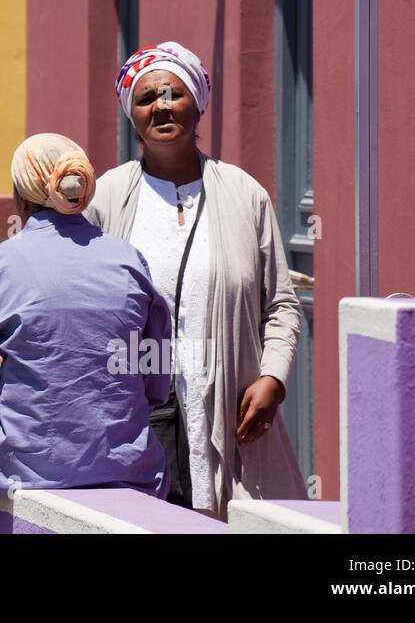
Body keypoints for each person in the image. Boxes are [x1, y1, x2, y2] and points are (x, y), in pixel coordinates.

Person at [0, 133, 171, 534]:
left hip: (27, 458)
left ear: (21, 198)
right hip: (126, 460)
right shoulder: (129, 259)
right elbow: (156, 378)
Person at [85, 41, 308, 519]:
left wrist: (273, 378)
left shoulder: (244, 194)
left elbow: (282, 305)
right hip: (141, 416)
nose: (161, 105)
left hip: (232, 414)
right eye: (146, 98)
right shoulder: (106, 198)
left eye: (173, 93)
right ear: (131, 114)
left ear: (198, 102)